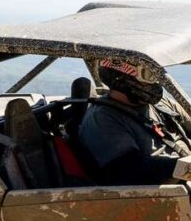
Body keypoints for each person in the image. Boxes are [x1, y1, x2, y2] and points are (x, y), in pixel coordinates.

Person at [75, 57, 183, 186]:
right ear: (122, 77)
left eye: (155, 74)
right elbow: (131, 171)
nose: (155, 83)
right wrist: (187, 166)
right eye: (148, 75)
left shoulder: (162, 104)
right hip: (164, 194)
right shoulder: (102, 119)